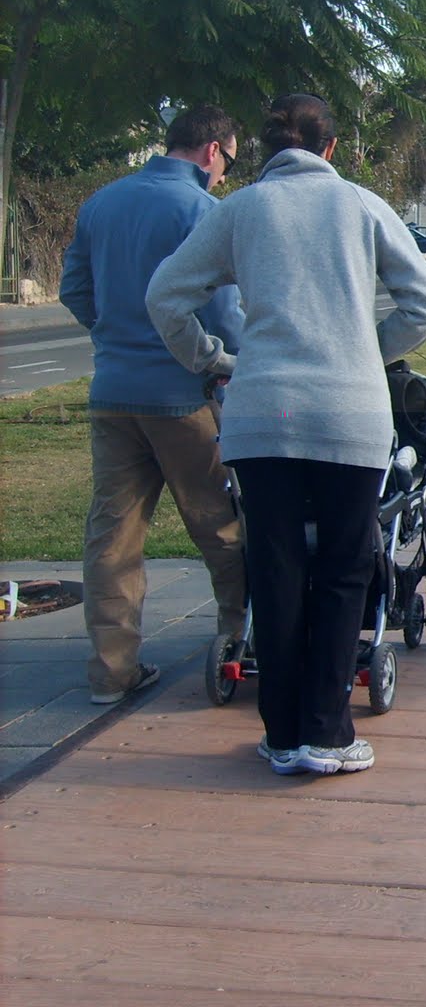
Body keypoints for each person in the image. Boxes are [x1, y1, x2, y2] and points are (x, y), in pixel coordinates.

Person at [147, 93, 426, 775]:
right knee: (344, 570)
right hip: (350, 413)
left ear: (263, 149)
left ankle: (281, 736)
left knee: (275, 571)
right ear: (331, 149)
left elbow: (165, 296)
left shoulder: (241, 209)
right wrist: (368, 349)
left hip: (263, 413)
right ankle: (329, 734)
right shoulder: (363, 206)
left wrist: (215, 358)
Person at [59, 104, 248, 706]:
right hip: (183, 394)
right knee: (221, 529)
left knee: (112, 537)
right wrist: (232, 363)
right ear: (213, 150)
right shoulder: (201, 210)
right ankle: (237, 647)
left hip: (113, 392)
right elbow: (222, 310)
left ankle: (110, 674)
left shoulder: (102, 202)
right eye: (229, 162)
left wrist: (113, 332)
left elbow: (74, 289)